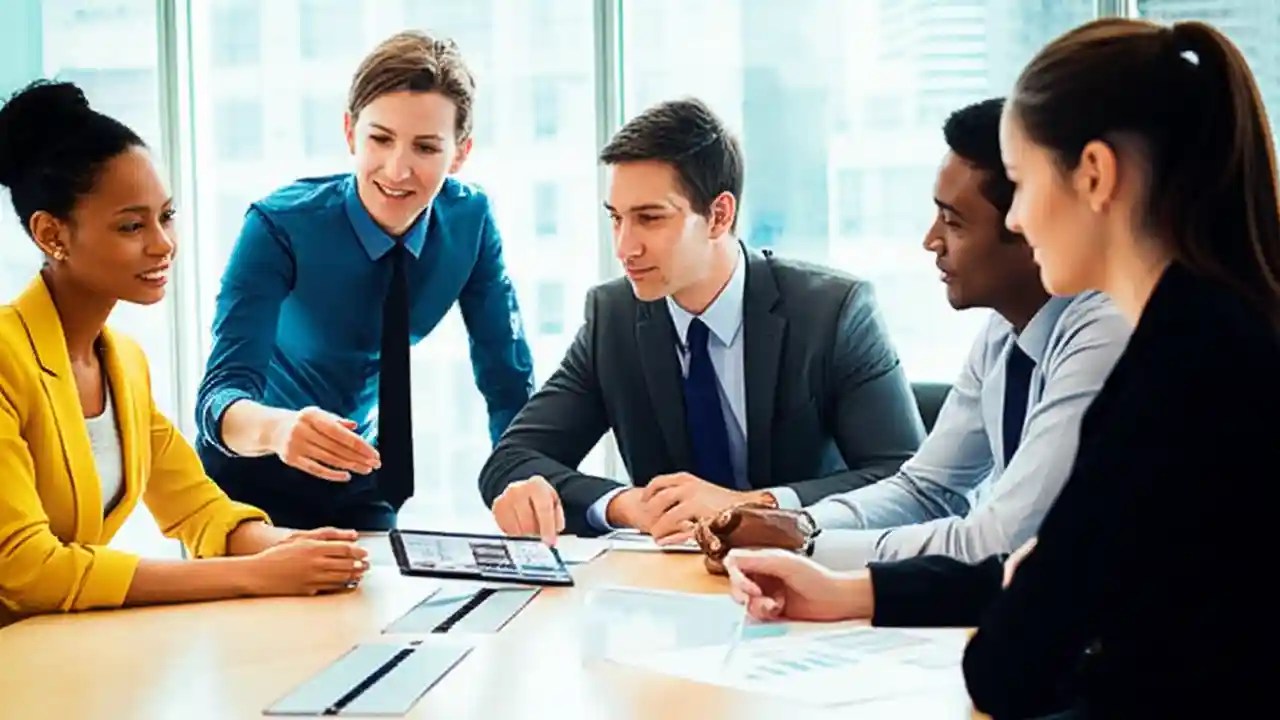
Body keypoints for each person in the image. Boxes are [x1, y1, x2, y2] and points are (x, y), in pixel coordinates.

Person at [721, 18, 1280, 718]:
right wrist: (851, 589)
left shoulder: (1172, 365)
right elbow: (1060, 576)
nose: (1017, 219)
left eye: (1019, 185)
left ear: (1096, 176)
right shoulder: (1211, 331)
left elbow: (1008, 667)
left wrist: (1035, 579)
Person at [694, 98, 1129, 573]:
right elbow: (926, 489)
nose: (931, 240)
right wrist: (798, 526)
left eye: (954, 222)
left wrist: (804, 550)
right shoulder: (1004, 331)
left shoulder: (1105, 332)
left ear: (1027, 225)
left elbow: (1000, 540)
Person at [0, 81, 369, 628]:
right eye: (131, 225)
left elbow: (198, 509)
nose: (163, 243)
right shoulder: (7, 358)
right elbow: (28, 568)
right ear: (52, 234)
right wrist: (256, 575)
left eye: (165, 216)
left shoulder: (122, 362)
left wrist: (298, 547)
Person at [480, 97, 926, 544]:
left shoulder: (833, 312)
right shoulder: (611, 318)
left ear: (719, 215)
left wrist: (754, 507)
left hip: (810, 574)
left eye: (650, 219)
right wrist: (628, 506)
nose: (624, 248)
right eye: (616, 219)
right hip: (670, 592)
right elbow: (511, 460)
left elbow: (907, 481)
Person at [195, 31, 535, 530]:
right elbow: (220, 393)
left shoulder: (471, 221)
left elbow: (507, 380)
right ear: (350, 132)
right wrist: (279, 427)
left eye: (425, 147)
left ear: (460, 153)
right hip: (246, 480)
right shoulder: (277, 226)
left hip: (360, 478)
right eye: (380, 139)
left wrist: (522, 476)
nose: (398, 169)